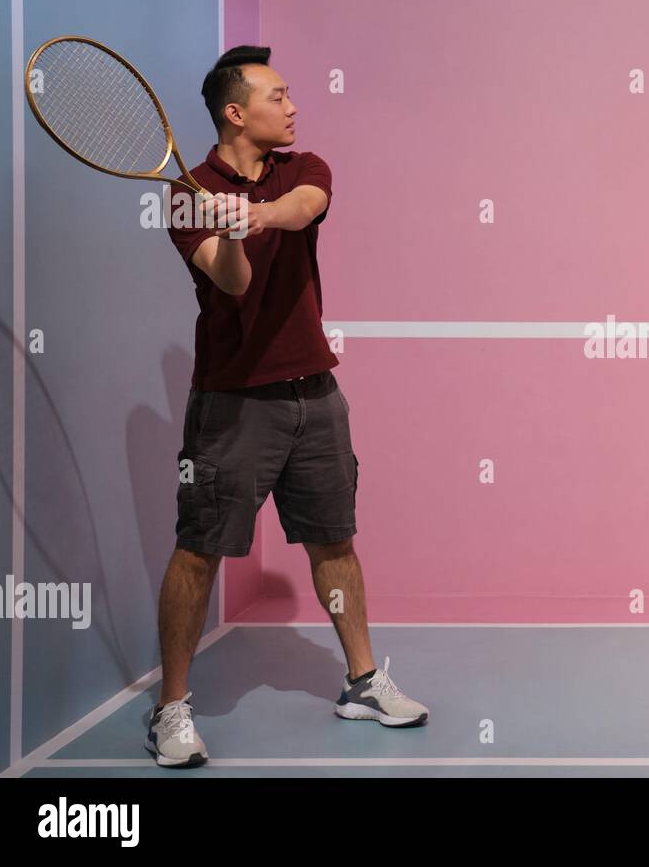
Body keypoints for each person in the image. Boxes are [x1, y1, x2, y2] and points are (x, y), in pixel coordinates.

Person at [147, 45, 429, 768]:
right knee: (198, 551)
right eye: (278, 96)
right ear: (236, 112)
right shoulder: (185, 195)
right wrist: (235, 234)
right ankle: (171, 709)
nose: (293, 106)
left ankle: (363, 683)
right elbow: (231, 283)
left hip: (316, 395)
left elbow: (306, 209)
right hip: (232, 404)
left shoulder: (301, 169)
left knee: (333, 541)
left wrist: (256, 213)